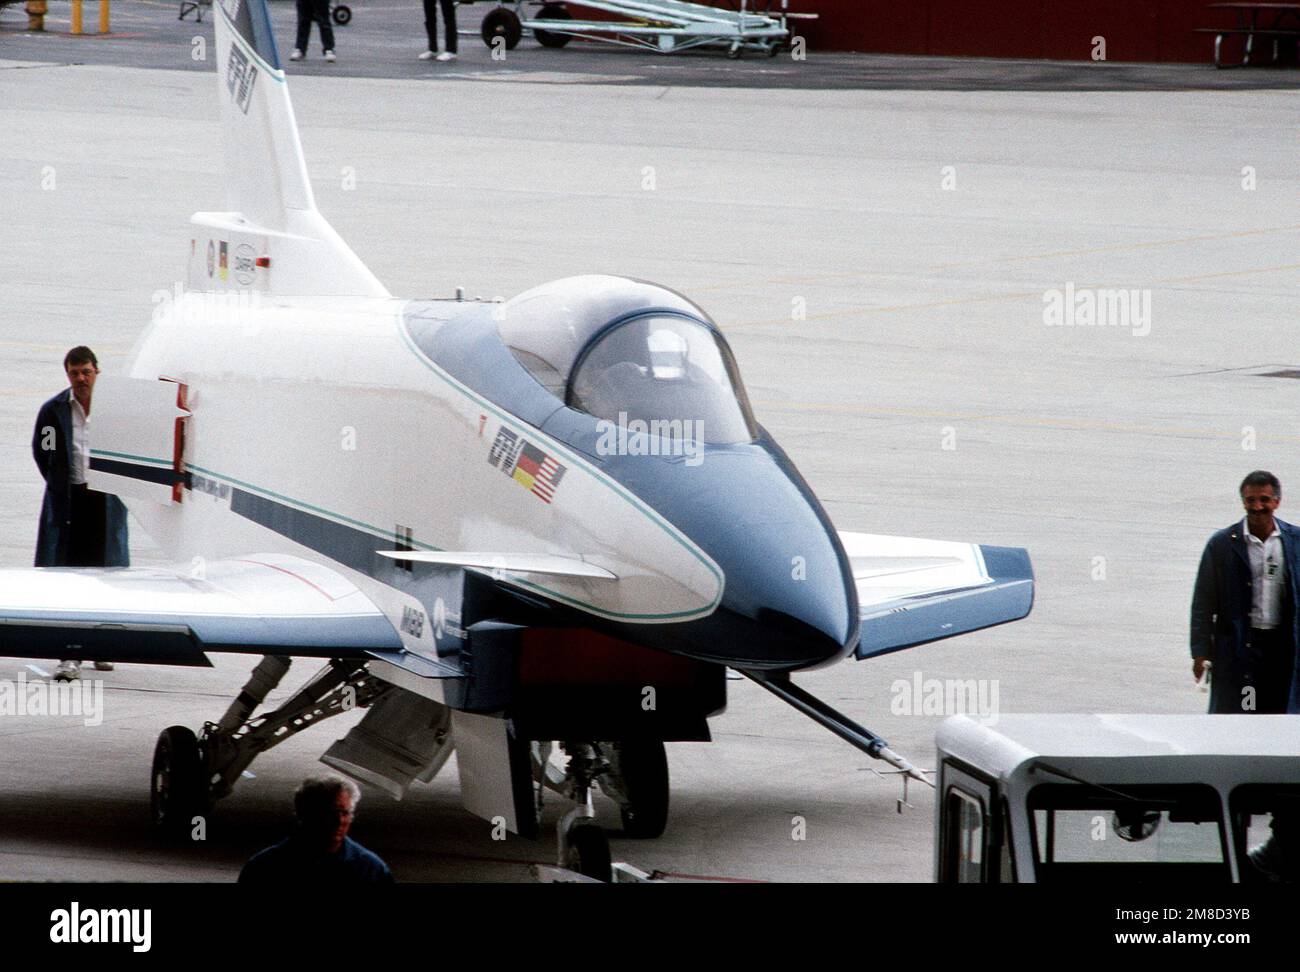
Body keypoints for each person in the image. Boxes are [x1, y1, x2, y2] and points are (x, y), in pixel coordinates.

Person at [33, 347, 129, 681]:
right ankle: (68, 655)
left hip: (105, 501)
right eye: (74, 373)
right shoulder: (53, 411)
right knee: (67, 579)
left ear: (97, 372)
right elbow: (43, 451)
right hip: (70, 504)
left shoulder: (114, 411)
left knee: (106, 576)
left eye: (86, 372)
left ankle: (101, 646)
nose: (81, 379)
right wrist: (60, 483)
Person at [1190, 470, 1300, 714]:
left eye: (1265, 500)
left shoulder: (1294, 542)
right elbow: (1203, 602)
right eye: (1251, 500)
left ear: (1277, 502)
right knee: (1241, 711)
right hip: (1239, 649)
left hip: (1283, 648)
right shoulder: (1222, 544)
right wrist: (1200, 653)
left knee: (1281, 713)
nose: (1258, 506)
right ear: (1243, 501)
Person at [238, 775, 393, 883]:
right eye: (329, 814)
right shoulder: (264, 868)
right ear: (305, 814)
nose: (339, 821)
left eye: (345, 813)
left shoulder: (371, 869)